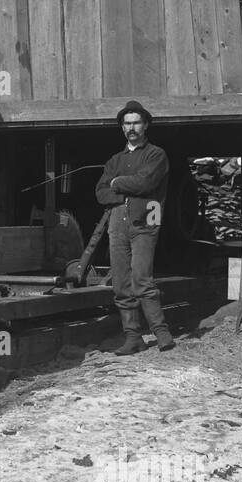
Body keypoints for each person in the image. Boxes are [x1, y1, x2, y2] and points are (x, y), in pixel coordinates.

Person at [95, 100, 174, 354]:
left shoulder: (156, 154)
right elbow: (100, 193)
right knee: (120, 284)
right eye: (127, 123)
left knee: (142, 279)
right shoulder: (114, 160)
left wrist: (117, 183)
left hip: (146, 222)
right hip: (117, 225)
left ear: (146, 125)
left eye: (136, 122)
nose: (132, 127)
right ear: (122, 127)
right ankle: (133, 338)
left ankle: (161, 333)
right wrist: (122, 191)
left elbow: (146, 183)